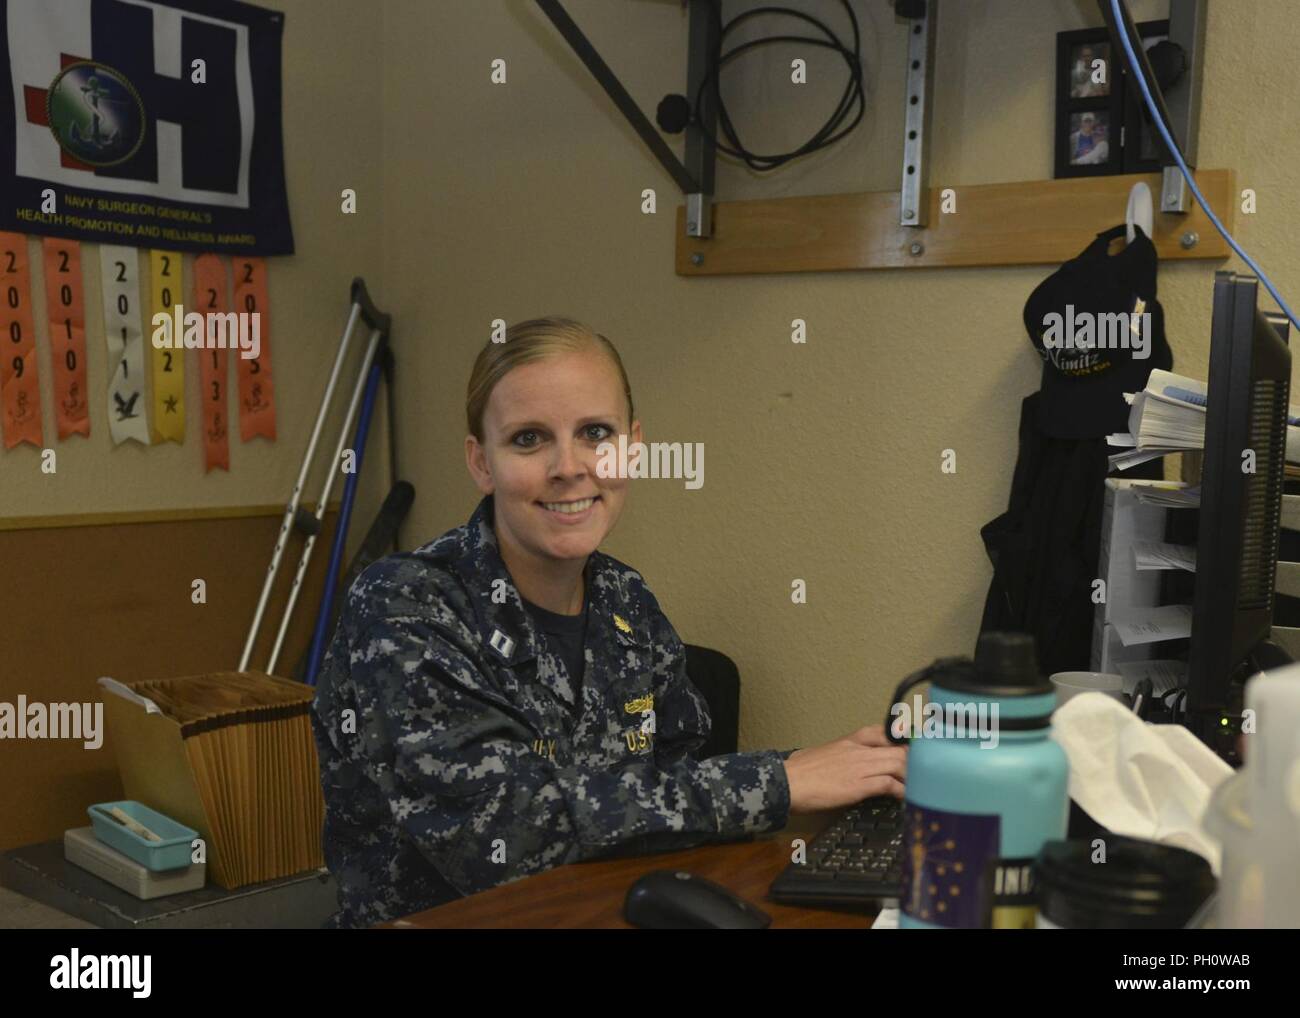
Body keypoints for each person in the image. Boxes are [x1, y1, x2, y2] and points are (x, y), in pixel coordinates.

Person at [310, 317, 908, 928]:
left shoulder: (625, 599)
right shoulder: (404, 607)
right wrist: (780, 782)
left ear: (633, 446)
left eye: (595, 432)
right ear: (481, 462)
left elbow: (673, 786)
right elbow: (505, 839)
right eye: (528, 439)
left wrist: (832, 770)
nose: (570, 466)